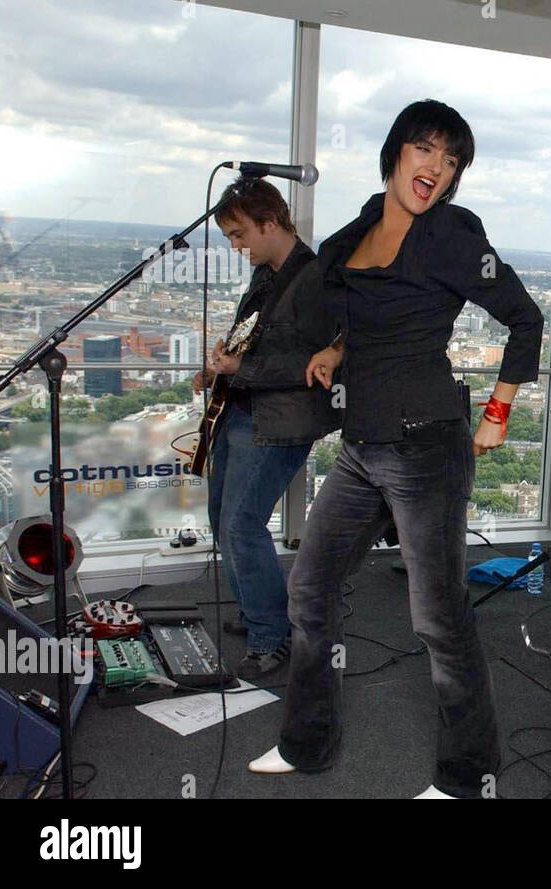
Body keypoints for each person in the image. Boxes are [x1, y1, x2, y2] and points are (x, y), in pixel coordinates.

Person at [247, 100, 544, 798]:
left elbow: (525, 318)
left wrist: (498, 409)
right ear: (396, 152)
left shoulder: (450, 233)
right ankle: (306, 741)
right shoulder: (362, 225)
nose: (436, 168)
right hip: (359, 448)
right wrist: (336, 347)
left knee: (437, 620)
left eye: (451, 160)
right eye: (426, 149)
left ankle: (469, 777)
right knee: (310, 589)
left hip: (425, 451)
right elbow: (360, 305)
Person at [195, 177, 340, 679]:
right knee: (222, 518)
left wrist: (242, 370)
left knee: (240, 525)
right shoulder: (267, 274)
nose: (236, 246)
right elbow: (254, 342)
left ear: (270, 222)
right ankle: (260, 612)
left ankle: (271, 635)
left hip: (279, 422)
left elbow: (317, 363)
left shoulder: (315, 279)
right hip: (242, 410)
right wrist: (219, 368)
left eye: (239, 235)